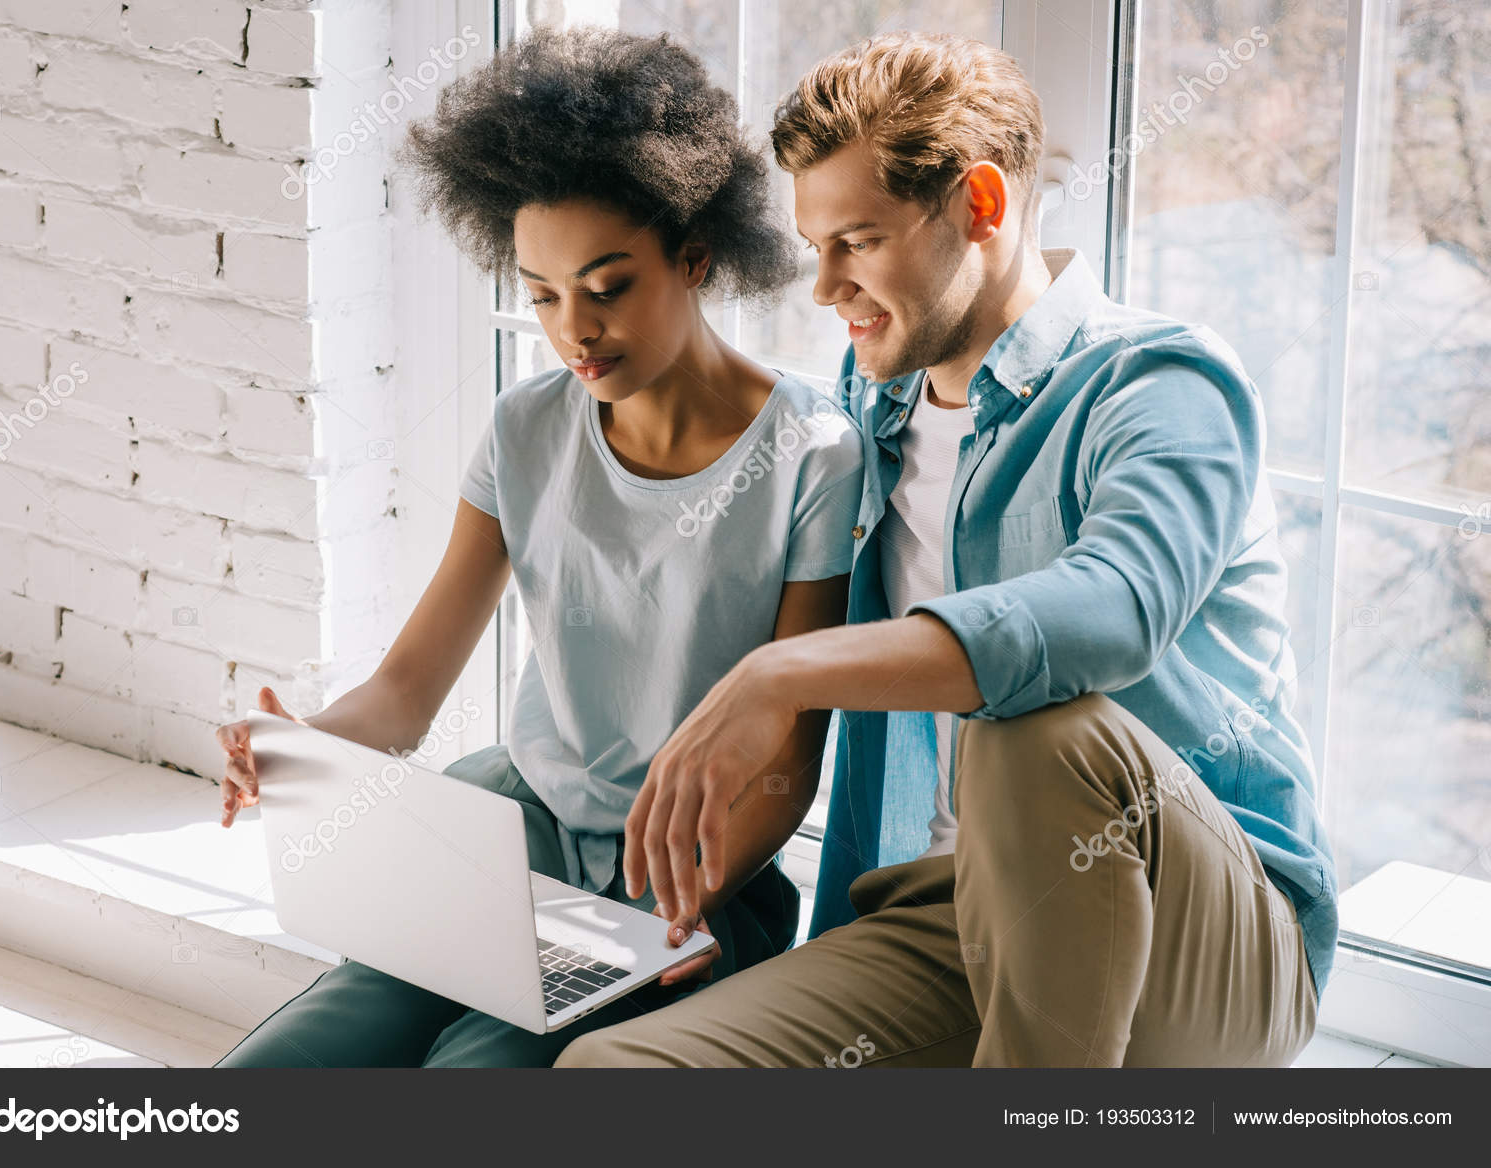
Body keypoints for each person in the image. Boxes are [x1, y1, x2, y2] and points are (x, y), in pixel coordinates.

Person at [557, 31, 1337, 1069]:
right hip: (950, 912)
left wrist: (782, 673)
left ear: (978, 206)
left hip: (1203, 933)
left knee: (1031, 730)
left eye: (859, 240)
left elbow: (1112, 611)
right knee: (611, 1074)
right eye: (815, 243)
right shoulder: (866, 405)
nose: (824, 284)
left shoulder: (1160, 385)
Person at [210, 25, 863, 1068]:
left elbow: (788, 763)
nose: (574, 331)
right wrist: (297, 754)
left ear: (695, 256)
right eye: (544, 293)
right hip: (503, 834)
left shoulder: (812, 456)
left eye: (608, 287)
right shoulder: (526, 428)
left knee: (469, 1075)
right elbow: (408, 690)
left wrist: (676, 909)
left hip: (689, 885)